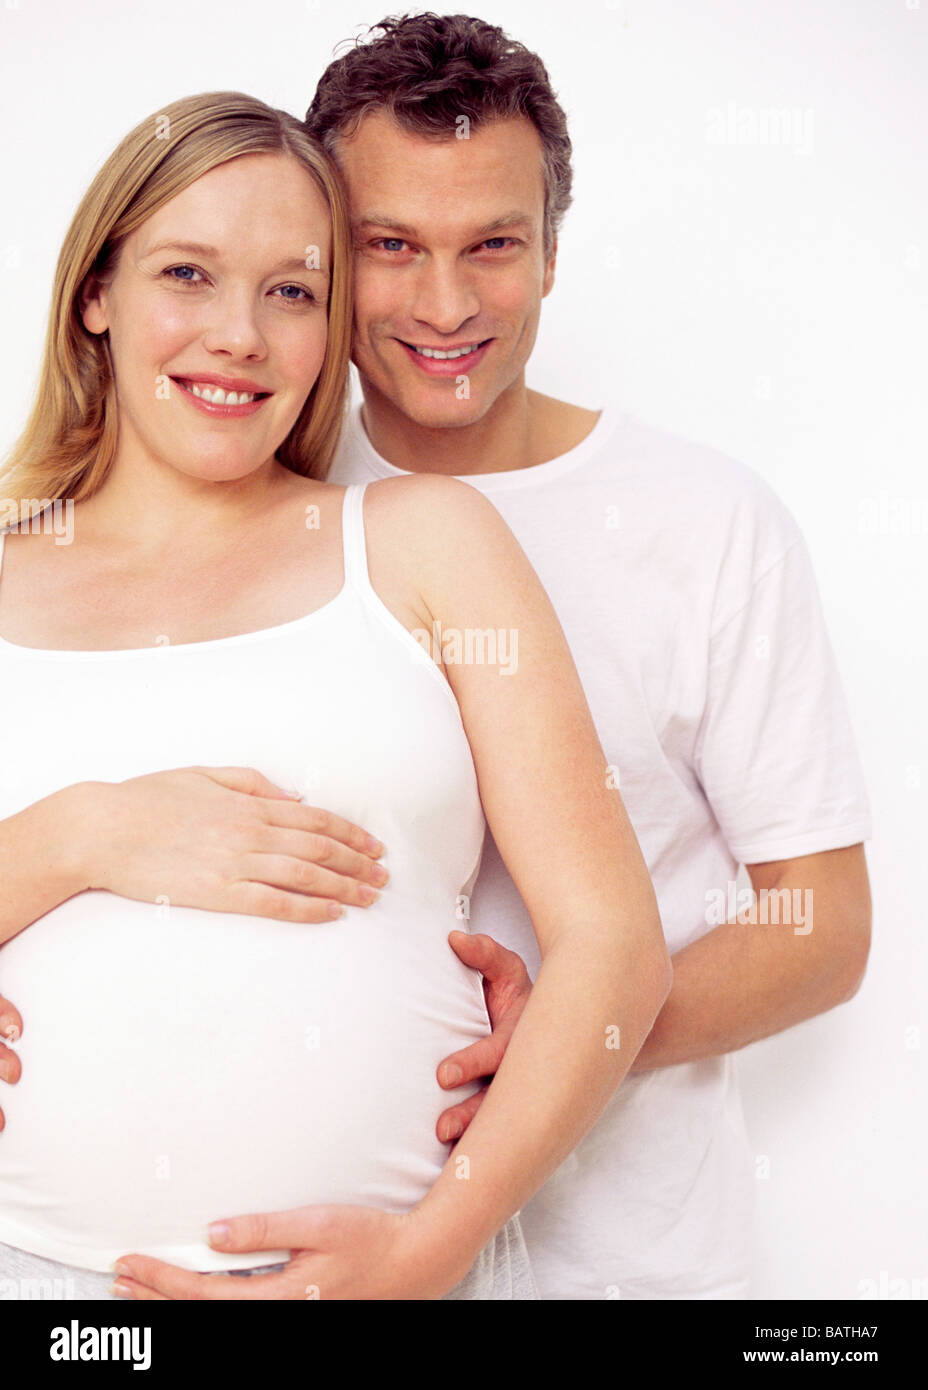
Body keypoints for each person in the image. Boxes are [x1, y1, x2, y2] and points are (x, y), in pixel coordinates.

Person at [54, 14, 873, 1303]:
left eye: (493, 243)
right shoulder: (247, 485)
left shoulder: (700, 520)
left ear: (552, 255)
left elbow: (819, 928)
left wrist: (562, 1033)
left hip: (620, 1253)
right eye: (389, 247)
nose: (445, 304)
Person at [0, 89, 671, 1301]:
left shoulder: (422, 542)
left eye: (294, 290)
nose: (241, 335)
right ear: (96, 295)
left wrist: (431, 1249)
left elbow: (614, 943)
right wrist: (75, 835)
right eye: (188, 274)